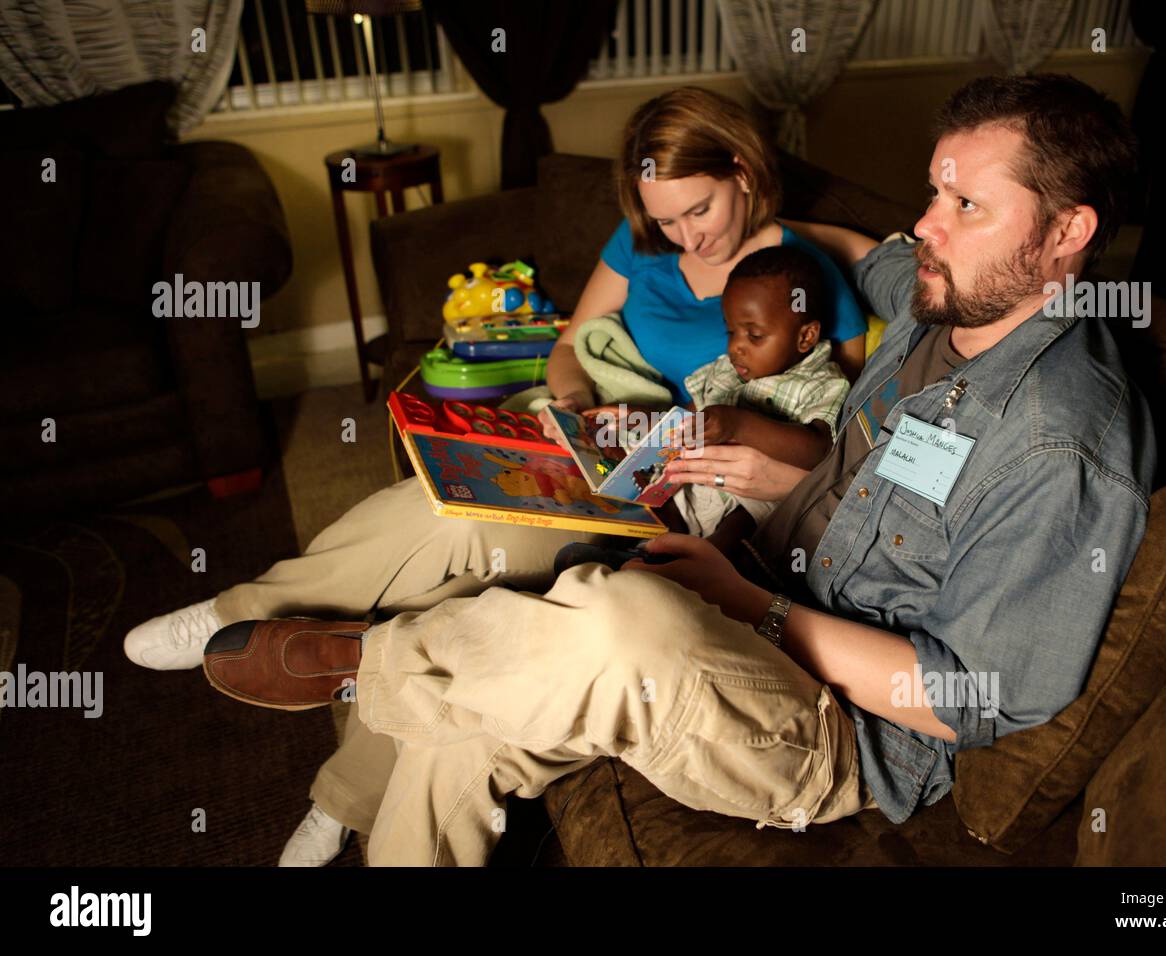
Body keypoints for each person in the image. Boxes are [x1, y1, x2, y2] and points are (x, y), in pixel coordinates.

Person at [197, 72, 1158, 866]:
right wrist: (743, 236)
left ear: (1067, 235)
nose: (929, 224)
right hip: (748, 569)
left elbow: (972, 700)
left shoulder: (1059, 442)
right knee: (494, 693)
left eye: (965, 205)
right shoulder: (937, 298)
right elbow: (853, 262)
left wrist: (759, 611)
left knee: (615, 616)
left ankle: (369, 657)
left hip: (828, 728)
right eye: (935, 192)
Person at [121, 85, 866, 866]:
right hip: (610, 451)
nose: (685, 235)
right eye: (665, 217)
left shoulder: (800, 276)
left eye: (700, 210)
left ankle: (343, 770)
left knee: (464, 590)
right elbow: (571, 342)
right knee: (442, 509)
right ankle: (238, 613)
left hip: (678, 502)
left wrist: (833, 243)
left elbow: (830, 432)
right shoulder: (642, 245)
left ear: (744, 172)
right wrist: (576, 407)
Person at [671, 243, 850, 538]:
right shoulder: (726, 369)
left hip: (750, 501)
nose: (735, 347)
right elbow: (683, 418)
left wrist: (736, 425)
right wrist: (638, 421)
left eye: (754, 335)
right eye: (731, 332)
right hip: (693, 486)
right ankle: (658, 551)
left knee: (756, 513)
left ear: (805, 336)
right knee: (655, 489)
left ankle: (705, 563)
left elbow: (820, 450)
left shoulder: (824, 383)